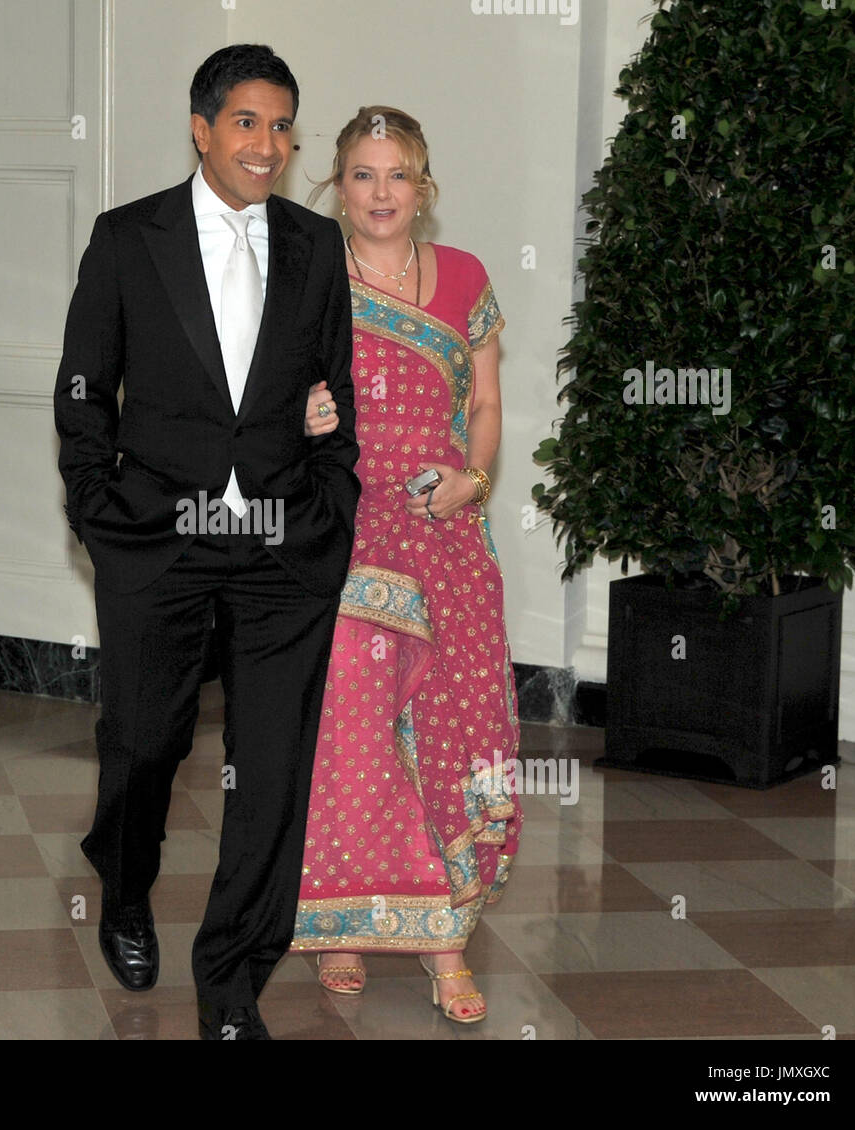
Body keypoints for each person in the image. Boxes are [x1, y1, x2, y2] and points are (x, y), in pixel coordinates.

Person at [53, 45, 360, 1041]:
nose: (265, 144)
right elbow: (84, 390)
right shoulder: (127, 237)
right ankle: (126, 878)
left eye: (281, 126)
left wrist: (328, 499)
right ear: (201, 127)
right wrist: (100, 510)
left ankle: (230, 984)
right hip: (161, 536)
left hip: (282, 542)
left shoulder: (317, 246)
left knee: (269, 770)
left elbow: (334, 398)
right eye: (245, 123)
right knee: (144, 744)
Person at [292, 107, 522, 1023]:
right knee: (349, 708)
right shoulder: (308, 273)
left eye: (397, 175)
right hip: (345, 517)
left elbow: (490, 403)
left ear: (422, 187)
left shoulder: (464, 275)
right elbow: (269, 389)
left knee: (456, 723)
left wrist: (473, 480)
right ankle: (341, 919)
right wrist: (301, 411)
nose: (380, 192)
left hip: (444, 524)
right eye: (361, 174)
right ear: (337, 185)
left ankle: (443, 941)